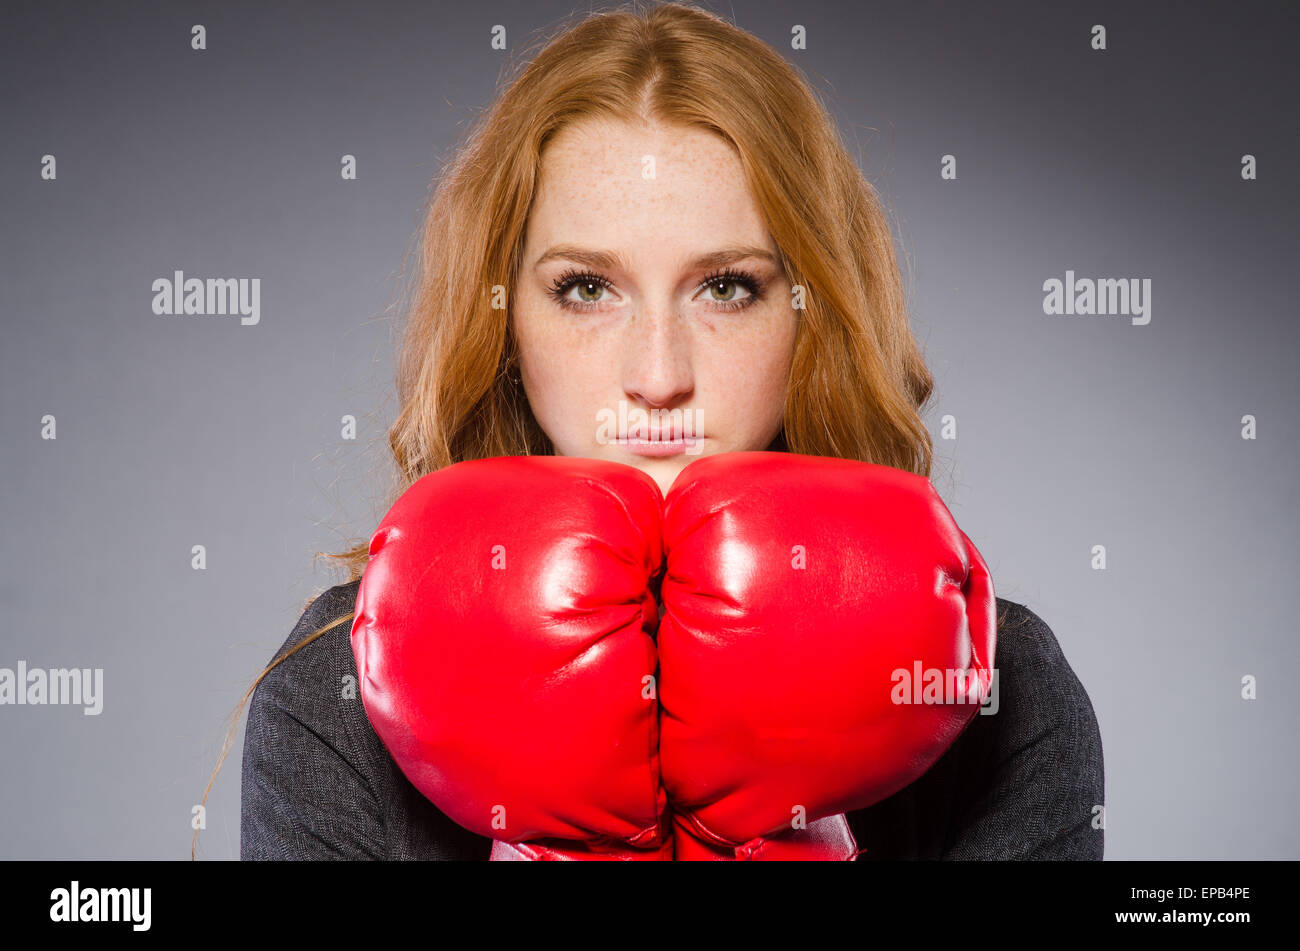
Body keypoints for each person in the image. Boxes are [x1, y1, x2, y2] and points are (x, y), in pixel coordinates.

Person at [204, 1, 1103, 861]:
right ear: (506, 321)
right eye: (588, 289)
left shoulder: (995, 690)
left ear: (809, 313)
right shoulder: (347, 683)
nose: (659, 377)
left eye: (727, 286)